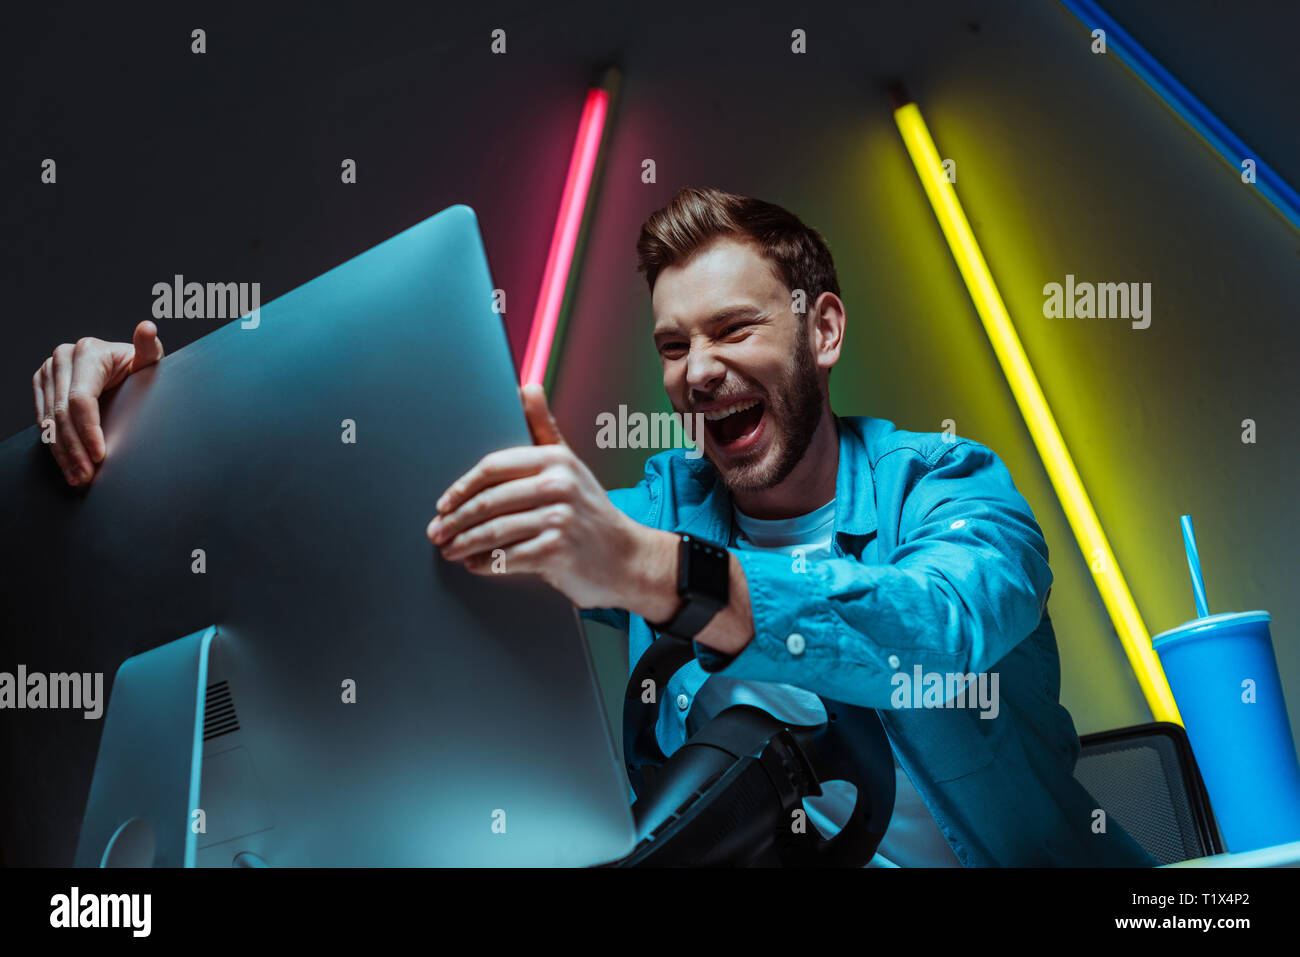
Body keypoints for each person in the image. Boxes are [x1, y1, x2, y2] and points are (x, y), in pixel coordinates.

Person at [31, 186, 1156, 867]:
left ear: (821, 328)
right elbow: (369, 571)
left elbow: (939, 629)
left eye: (731, 330)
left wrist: (661, 576)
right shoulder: (647, 513)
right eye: (672, 346)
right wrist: (161, 430)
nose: (699, 371)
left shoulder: (950, 486)